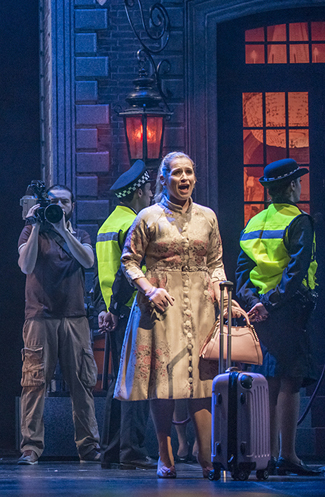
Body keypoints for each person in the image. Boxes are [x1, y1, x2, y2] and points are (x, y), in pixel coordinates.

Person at [114, 151, 239, 479]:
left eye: (189, 173)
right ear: (164, 179)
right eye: (177, 173)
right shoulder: (148, 217)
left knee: (202, 382)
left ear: (195, 178)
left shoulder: (207, 217)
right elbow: (129, 261)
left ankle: (207, 457)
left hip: (199, 306)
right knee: (164, 383)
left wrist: (221, 294)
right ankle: (165, 454)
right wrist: (149, 289)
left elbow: (216, 262)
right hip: (161, 306)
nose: (184, 179)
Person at [236, 158, 321, 476]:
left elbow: (242, 272)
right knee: (291, 382)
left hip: (260, 314)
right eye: (298, 181)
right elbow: (297, 271)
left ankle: (267, 454)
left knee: (269, 382)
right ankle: (288, 454)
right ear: (291, 186)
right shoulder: (298, 220)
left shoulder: (254, 222)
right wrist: (271, 303)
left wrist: (255, 303)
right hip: (288, 312)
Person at [16, 184, 100, 465]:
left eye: (64, 202)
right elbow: (25, 266)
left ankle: (89, 448)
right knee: (34, 382)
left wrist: (62, 229)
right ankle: (30, 448)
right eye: (54, 202)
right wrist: (37, 225)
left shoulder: (81, 234)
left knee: (82, 384)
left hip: (75, 317)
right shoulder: (31, 233)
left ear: (72, 206)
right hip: (40, 317)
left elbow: (88, 260)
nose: (59, 206)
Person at [92, 160, 156, 469]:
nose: (152, 194)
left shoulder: (107, 225)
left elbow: (99, 276)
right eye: (149, 190)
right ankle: (133, 451)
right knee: (137, 381)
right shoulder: (133, 224)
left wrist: (104, 310)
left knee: (119, 382)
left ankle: (111, 450)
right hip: (132, 309)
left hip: (115, 312)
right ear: (140, 193)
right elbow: (125, 272)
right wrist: (117, 307)